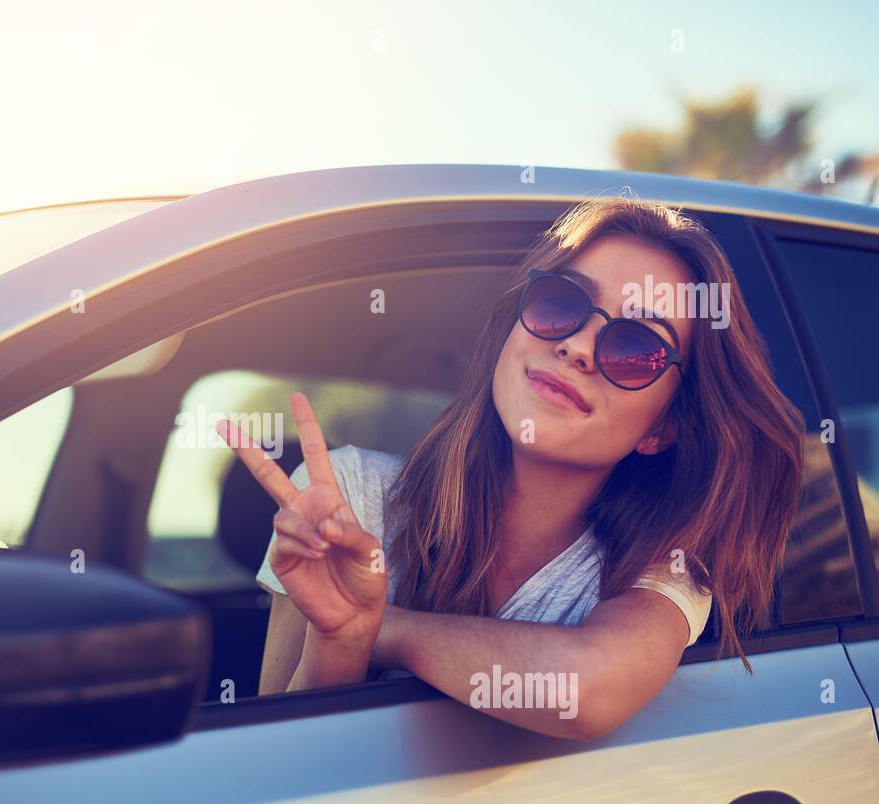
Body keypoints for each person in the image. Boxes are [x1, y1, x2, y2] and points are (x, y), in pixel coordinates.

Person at [216, 196, 805, 741]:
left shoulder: (661, 567)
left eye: (634, 347)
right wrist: (339, 638)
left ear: (662, 428)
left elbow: (584, 689)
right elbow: (284, 767)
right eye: (561, 304)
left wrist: (380, 628)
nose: (576, 347)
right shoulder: (349, 495)